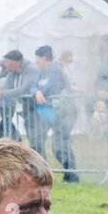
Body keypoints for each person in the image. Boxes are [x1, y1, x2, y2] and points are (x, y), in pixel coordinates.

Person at [33, 44, 79, 181]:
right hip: (52, 113)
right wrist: (36, 91)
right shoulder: (41, 71)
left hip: (65, 113)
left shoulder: (56, 70)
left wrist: (40, 91)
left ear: (46, 58)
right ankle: (68, 175)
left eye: (38, 60)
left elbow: (52, 89)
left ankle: (72, 176)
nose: (36, 62)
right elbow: (33, 85)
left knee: (60, 146)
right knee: (44, 142)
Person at [0, 50, 39, 142]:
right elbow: (5, 88)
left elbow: (23, 89)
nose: (5, 66)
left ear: (15, 63)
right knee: (34, 141)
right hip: (27, 109)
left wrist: (1, 94)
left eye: (7, 63)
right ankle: (15, 140)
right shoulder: (12, 72)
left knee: (36, 141)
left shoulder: (30, 69)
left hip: (37, 108)